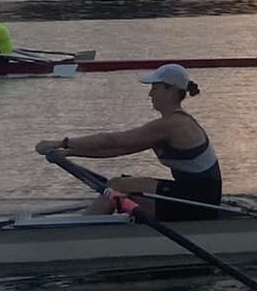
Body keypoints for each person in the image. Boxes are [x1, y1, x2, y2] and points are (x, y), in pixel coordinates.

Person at [35, 63, 224, 220]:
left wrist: (61, 143)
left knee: (117, 186)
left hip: (198, 202)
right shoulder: (172, 123)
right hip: (194, 196)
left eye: (155, 88)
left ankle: (83, 233)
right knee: (123, 184)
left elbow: (112, 140)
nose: (150, 94)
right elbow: (117, 149)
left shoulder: (173, 124)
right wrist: (69, 154)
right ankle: (100, 226)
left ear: (171, 90)